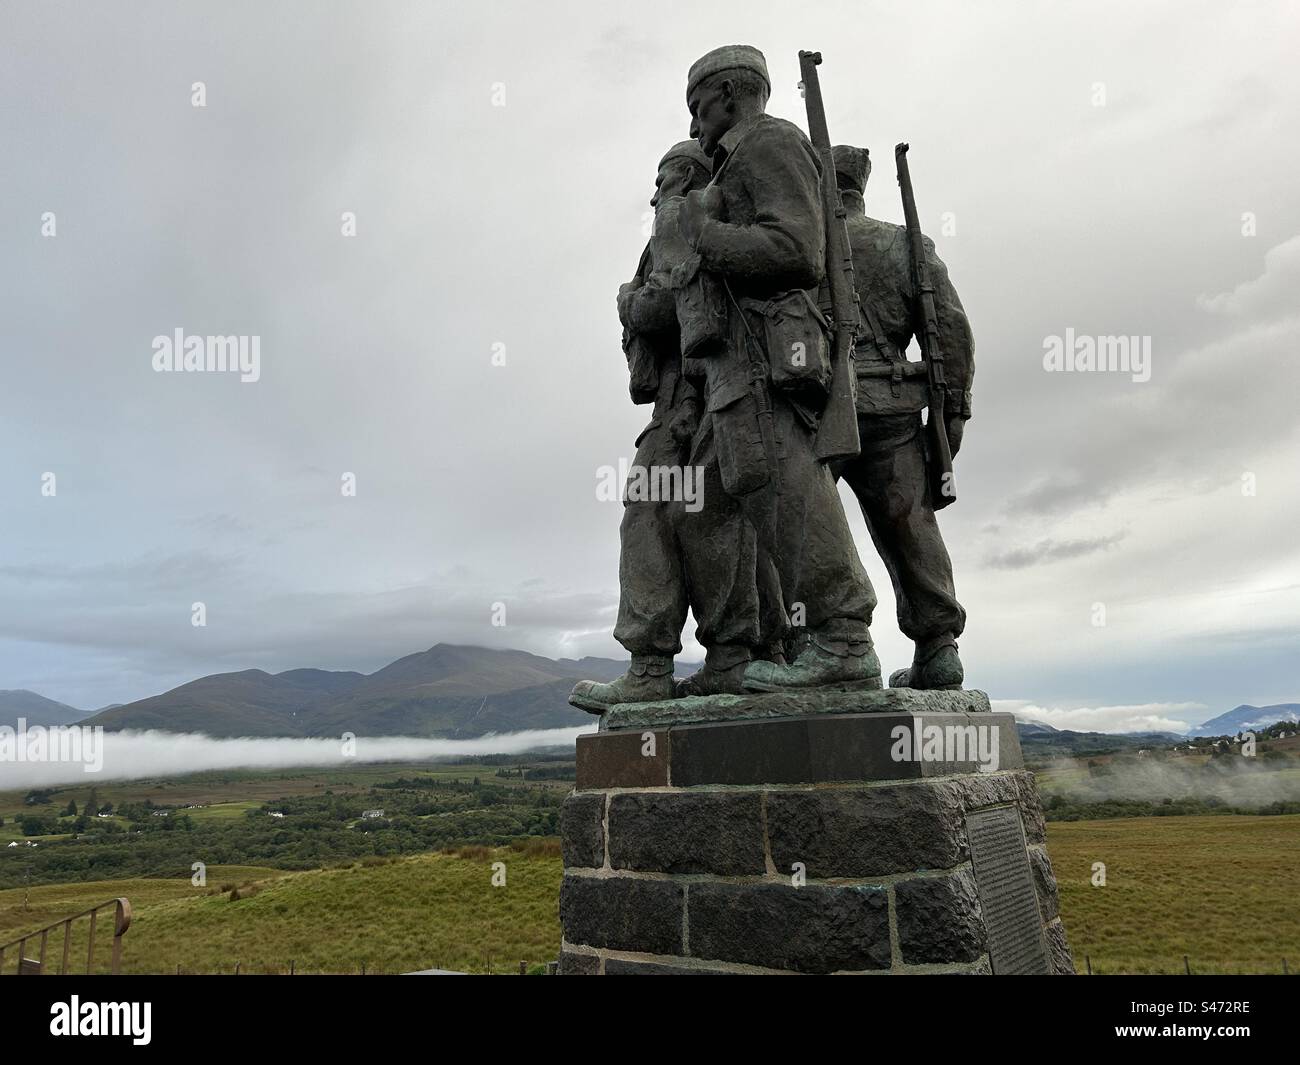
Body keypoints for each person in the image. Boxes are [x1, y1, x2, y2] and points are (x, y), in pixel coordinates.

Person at [828, 145, 974, 689]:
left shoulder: (803, 241)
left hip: (817, 406)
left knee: (806, 526)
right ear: (861, 188)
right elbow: (951, 331)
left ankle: (820, 642)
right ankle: (939, 647)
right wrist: (953, 409)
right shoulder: (904, 244)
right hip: (892, 404)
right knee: (910, 522)